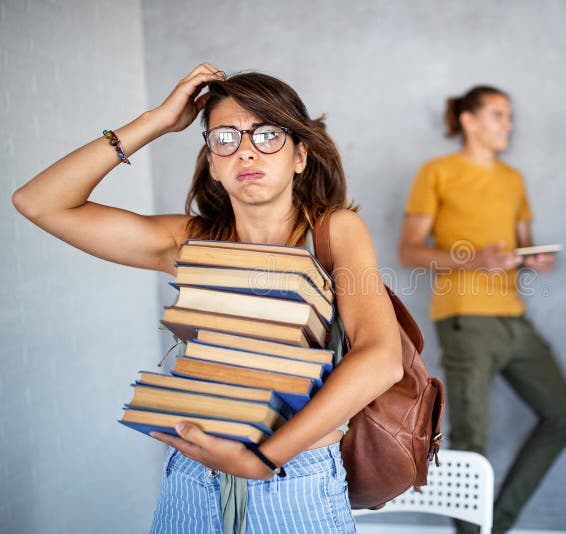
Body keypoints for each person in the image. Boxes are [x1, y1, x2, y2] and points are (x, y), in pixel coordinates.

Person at [12, 63, 402, 534]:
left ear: (300, 155)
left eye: (267, 135)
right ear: (213, 165)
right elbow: (39, 202)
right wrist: (157, 120)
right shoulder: (189, 241)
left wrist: (261, 457)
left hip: (293, 475)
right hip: (193, 475)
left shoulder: (334, 232)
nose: (245, 151)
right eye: (225, 139)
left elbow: (381, 358)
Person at [398, 86, 566, 534]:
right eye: (499, 115)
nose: (508, 125)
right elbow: (409, 251)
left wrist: (535, 258)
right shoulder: (436, 172)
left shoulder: (513, 179)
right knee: (471, 440)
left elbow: (523, 246)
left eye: (509, 116)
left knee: (563, 415)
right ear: (469, 121)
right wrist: (473, 259)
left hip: (513, 319)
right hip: (464, 320)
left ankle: (494, 527)